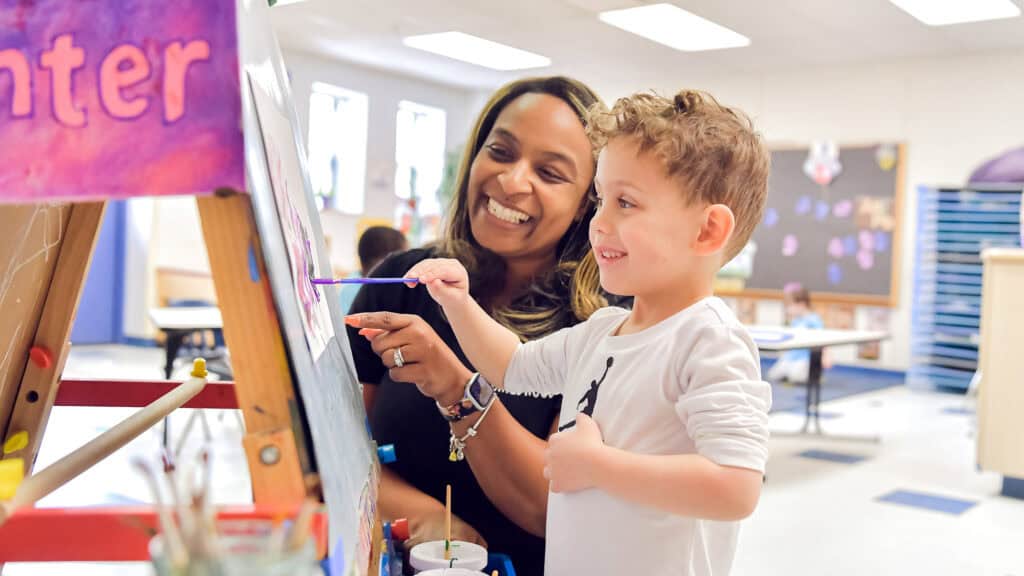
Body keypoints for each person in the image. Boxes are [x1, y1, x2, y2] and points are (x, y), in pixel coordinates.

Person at [353, 89, 773, 575]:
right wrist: (459, 303)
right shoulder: (603, 331)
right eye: (600, 200)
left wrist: (599, 467)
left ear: (707, 232)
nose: (599, 223)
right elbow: (510, 364)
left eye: (626, 203)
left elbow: (736, 486)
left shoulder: (708, 340)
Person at [344, 76, 607, 576]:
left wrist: (457, 389)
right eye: (501, 152)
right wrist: (428, 518)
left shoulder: (601, 328)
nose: (511, 182)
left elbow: (550, 507)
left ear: (587, 205)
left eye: (550, 173)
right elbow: (336, 452)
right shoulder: (403, 281)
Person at [338, 226, 408, 313]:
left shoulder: (352, 282)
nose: (407, 265)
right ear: (386, 261)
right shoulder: (364, 293)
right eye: (405, 258)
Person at [767, 286, 825, 384]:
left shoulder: (814, 320)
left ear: (801, 304)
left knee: (795, 376)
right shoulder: (795, 321)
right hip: (791, 357)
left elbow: (823, 340)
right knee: (773, 375)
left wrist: (824, 356)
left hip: (805, 358)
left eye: (790, 305)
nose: (788, 309)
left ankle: (813, 375)